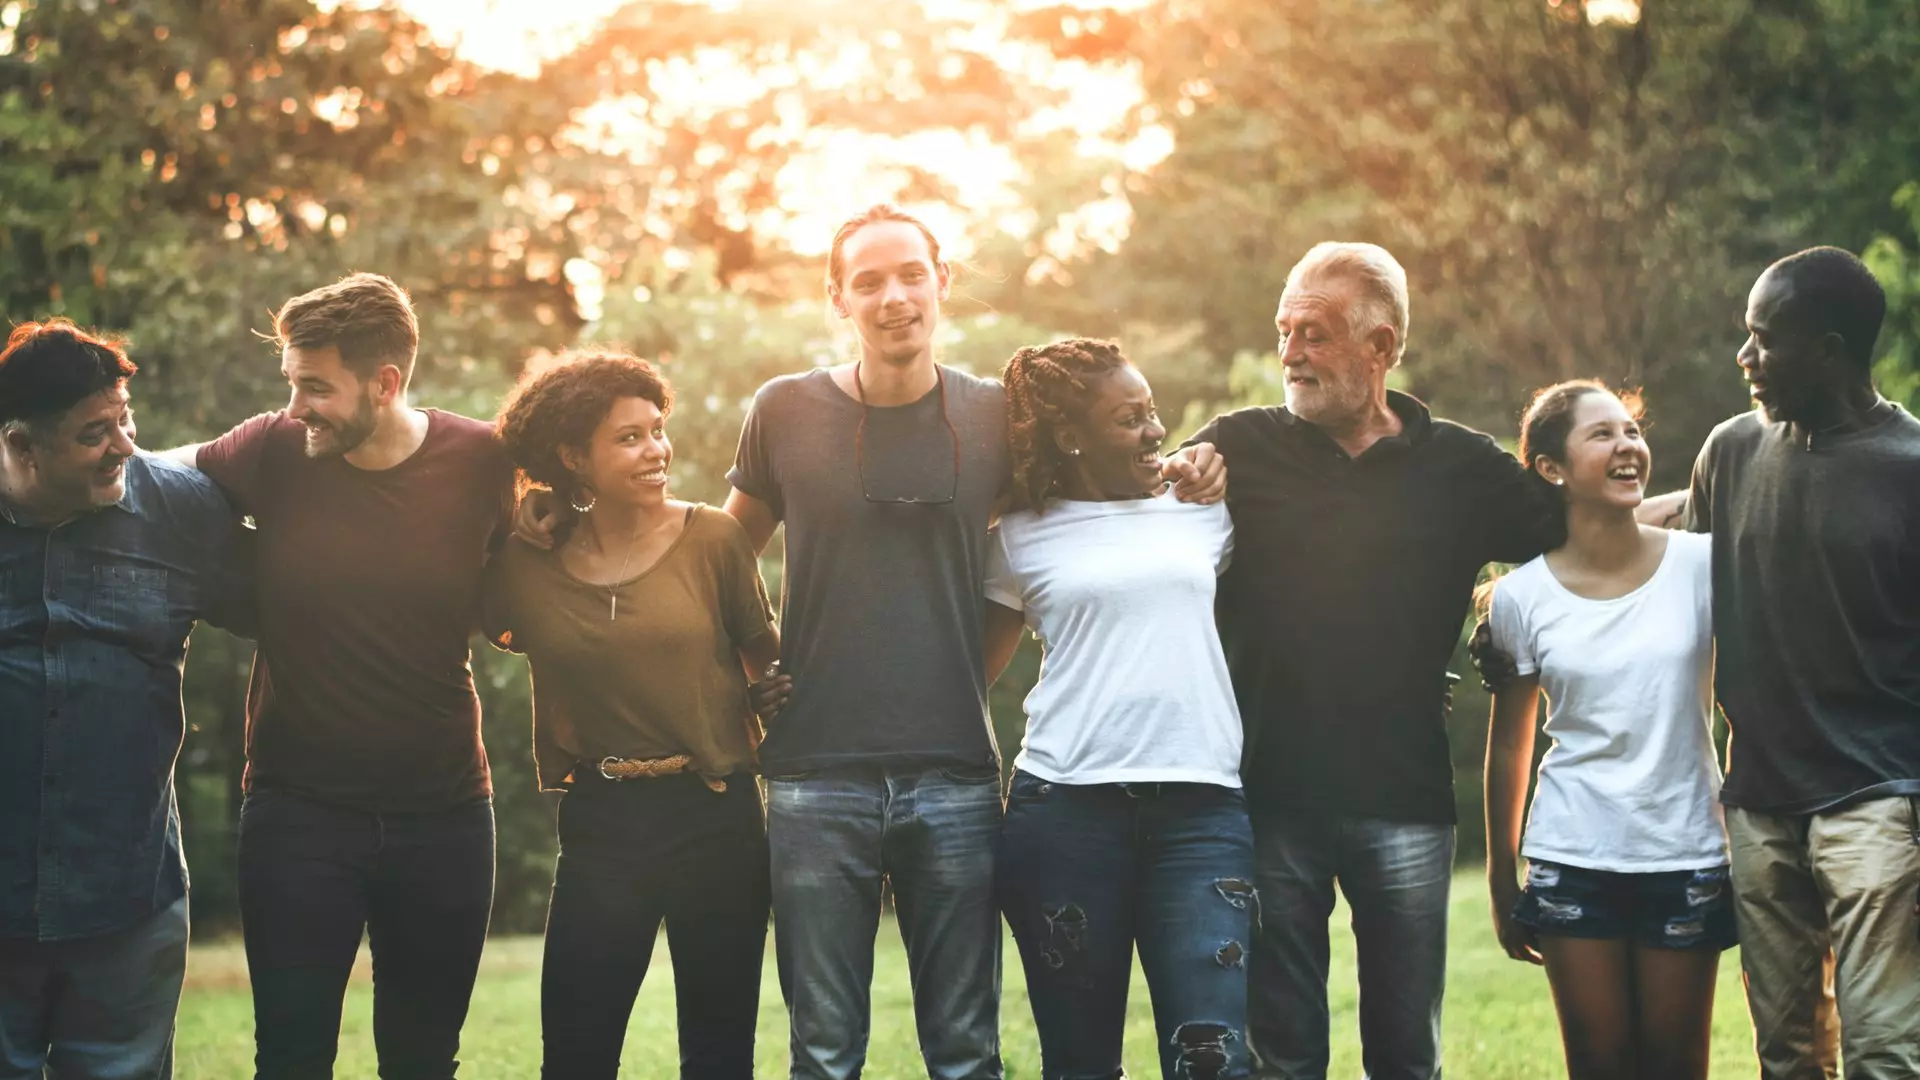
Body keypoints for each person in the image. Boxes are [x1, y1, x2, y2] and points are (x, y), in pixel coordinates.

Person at [515, 204, 1224, 1079]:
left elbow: (1090, 491)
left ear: (942, 283)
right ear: (838, 300)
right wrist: (567, 507)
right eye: (869, 282)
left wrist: (1197, 461)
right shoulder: (783, 412)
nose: (895, 297)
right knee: (822, 1053)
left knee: (968, 1053)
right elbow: (715, 559)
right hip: (815, 780)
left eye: (911, 275)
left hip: (958, 777)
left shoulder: (999, 417)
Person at [1184, 242, 1681, 1080]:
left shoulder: (1459, 465)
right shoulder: (1238, 445)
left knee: (1408, 1057)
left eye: (1317, 332)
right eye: (1285, 331)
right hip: (1270, 801)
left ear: (1381, 347)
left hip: (1406, 805)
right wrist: (1179, 469)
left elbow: (1589, 524)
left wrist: (1724, 494)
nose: (1292, 353)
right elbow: (1148, 499)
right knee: (1283, 1056)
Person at [164, 273, 513, 1079]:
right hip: (299, 816)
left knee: (425, 1060)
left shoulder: (482, 461)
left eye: (314, 387)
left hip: (445, 817)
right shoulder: (273, 450)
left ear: (385, 383)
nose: (295, 407)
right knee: (290, 1057)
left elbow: (538, 559)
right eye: (291, 383)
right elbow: (150, 478)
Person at [484, 352, 783, 1079]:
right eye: (629, 437)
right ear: (570, 456)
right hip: (602, 817)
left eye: (657, 430)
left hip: (716, 813)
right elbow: (447, 551)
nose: (656, 451)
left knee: (718, 1055)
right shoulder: (524, 563)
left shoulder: (714, 538)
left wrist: (770, 700)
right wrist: (520, 511)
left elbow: (768, 666)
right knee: (578, 1053)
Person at [983, 338, 1251, 1080]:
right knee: (1079, 1064)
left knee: (1214, 1059)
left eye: (1153, 411)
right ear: (1071, 436)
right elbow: (971, 669)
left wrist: (1207, 462)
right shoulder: (1017, 534)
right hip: (1065, 814)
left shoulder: (1205, 510)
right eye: (1130, 418)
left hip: (1202, 815)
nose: (1156, 431)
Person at [1683, 247, 1920, 1078]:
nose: (1744, 358)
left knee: (1885, 1050)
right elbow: (1667, 582)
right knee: (1784, 1055)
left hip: (1879, 801)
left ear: (1827, 349)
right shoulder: (1729, 453)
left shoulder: (1911, 469)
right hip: (1760, 803)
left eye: (1762, 339)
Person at [0, 321, 250, 1079]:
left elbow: (305, 595)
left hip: (127, 893)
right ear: (21, 446)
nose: (123, 446)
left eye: (125, 420)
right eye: (93, 434)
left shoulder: (180, 512)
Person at [1482, 381, 1733, 1080]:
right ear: (1550, 467)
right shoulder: (1520, 598)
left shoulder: (1701, 567)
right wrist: (1505, 880)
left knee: (1677, 1066)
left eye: (1632, 431)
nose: (1627, 446)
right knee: (1599, 1066)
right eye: (1602, 435)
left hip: (1685, 850)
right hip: (1573, 856)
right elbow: (1510, 745)